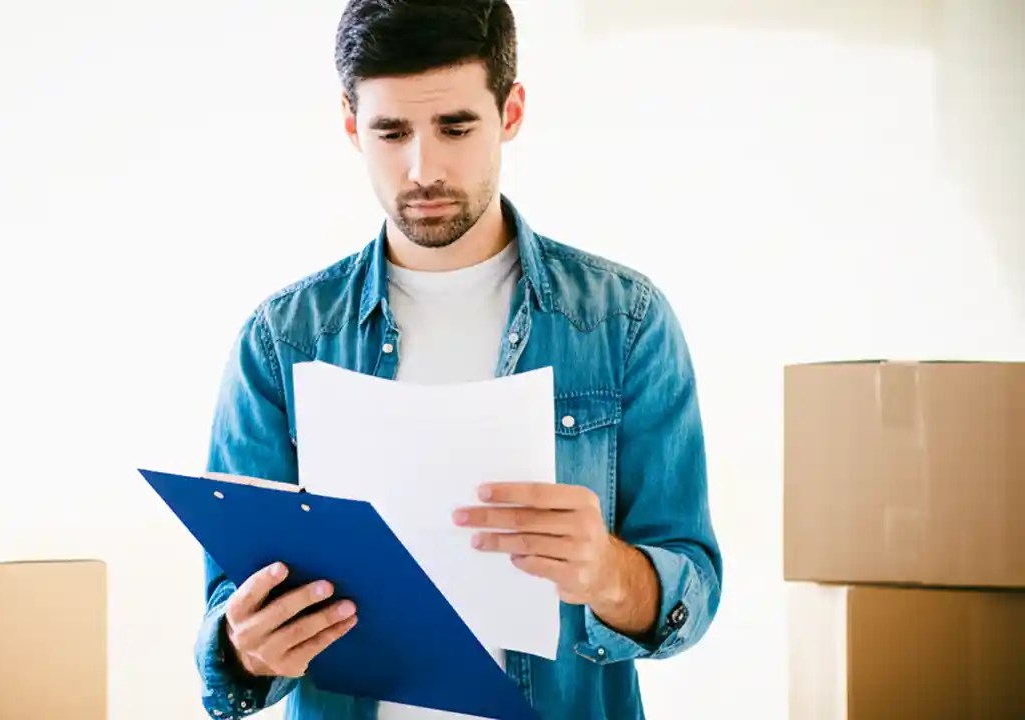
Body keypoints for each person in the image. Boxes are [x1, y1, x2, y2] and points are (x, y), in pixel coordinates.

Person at [194, 1, 722, 718]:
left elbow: (691, 584)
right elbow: (232, 614)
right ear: (351, 125)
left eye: (455, 126)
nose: (422, 168)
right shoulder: (281, 341)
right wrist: (250, 647)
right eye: (390, 131)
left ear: (511, 112)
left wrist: (605, 570)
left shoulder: (623, 322)